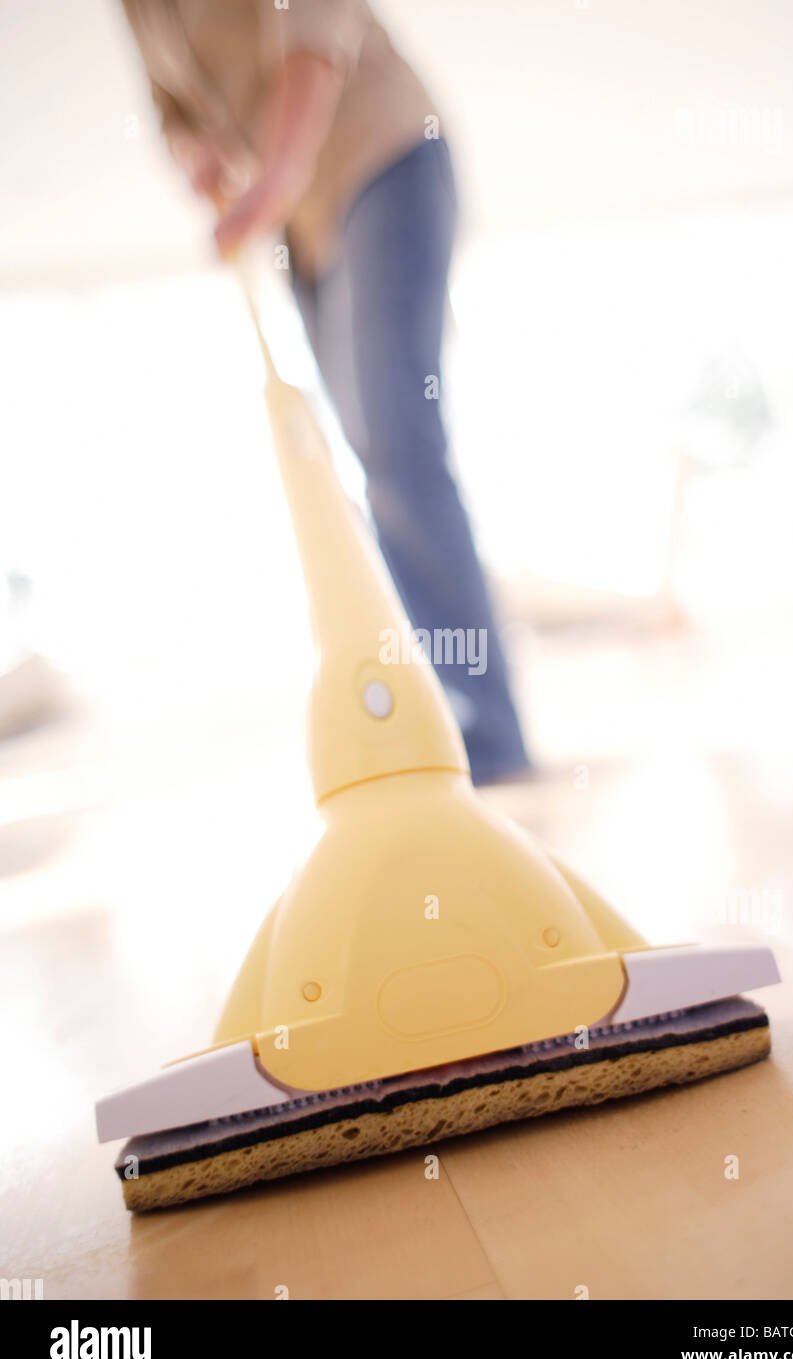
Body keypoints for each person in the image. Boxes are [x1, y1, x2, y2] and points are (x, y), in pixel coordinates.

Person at [121, 0, 530, 784]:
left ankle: (488, 740)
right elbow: (170, 106)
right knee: (364, 452)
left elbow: (315, 30)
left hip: (382, 157)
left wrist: (274, 175)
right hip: (298, 216)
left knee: (396, 435)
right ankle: (438, 723)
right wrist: (196, 152)